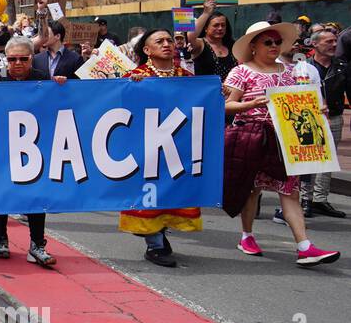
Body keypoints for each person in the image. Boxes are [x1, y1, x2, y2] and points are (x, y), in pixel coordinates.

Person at [222, 21, 339, 266]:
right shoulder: (241, 72)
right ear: (254, 46)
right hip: (251, 137)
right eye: (268, 42)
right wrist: (250, 105)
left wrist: (316, 108)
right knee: (251, 190)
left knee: (290, 191)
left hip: (284, 139)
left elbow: (300, 102)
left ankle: (304, 246)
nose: (275, 46)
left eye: (277, 42)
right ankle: (247, 235)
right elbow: (226, 105)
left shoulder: (289, 71)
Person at [0, 36, 68, 266]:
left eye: (23, 59)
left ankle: (37, 245)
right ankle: (0, 236)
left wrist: (60, 87)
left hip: (34, 148)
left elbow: (57, 107)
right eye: (12, 59)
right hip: (0, 147)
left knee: (36, 195)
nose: (17, 63)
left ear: (31, 59)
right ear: (5, 60)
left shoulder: (42, 79)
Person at [118, 30, 203, 267]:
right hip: (147, 147)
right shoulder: (135, 76)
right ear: (147, 50)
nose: (167, 44)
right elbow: (122, 110)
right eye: (160, 42)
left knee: (171, 192)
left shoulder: (186, 76)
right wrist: (130, 89)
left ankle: (159, 234)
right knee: (149, 193)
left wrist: (219, 93)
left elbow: (200, 105)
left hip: (178, 147)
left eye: (169, 41)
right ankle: (155, 244)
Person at [301, 28, 347, 218]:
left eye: (335, 41)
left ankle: (320, 199)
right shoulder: (304, 67)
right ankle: (306, 199)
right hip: (309, 119)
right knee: (308, 158)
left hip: (334, 116)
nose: (334, 45)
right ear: (315, 44)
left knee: (329, 159)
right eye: (328, 41)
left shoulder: (342, 66)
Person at [188, 0, 236, 83]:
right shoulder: (200, 44)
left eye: (223, 25)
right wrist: (206, 13)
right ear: (206, 28)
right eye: (216, 25)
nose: (220, 28)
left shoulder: (232, 45)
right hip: (206, 93)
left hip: (231, 93)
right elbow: (190, 36)